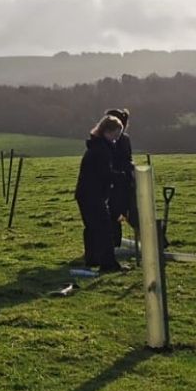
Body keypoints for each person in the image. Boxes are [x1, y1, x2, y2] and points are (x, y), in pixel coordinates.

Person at [77, 114, 126, 273]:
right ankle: (108, 264)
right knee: (104, 229)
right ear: (107, 132)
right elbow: (105, 173)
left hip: (86, 194)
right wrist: (124, 176)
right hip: (93, 195)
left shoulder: (96, 146)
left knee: (92, 228)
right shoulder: (101, 150)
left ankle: (92, 259)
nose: (116, 139)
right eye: (115, 135)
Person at [106, 108, 136, 247]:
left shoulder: (116, 141)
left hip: (118, 182)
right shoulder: (125, 139)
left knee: (114, 214)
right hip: (125, 181)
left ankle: (115, 245)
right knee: (123, 213)